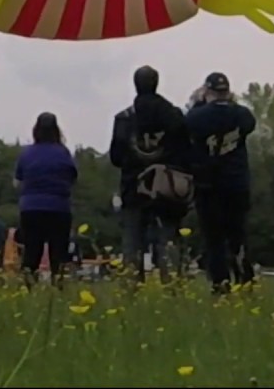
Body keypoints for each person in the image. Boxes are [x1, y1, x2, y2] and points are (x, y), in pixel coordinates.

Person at [110, 65, 193, 283]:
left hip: (133, 188)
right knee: (167, 241)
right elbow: (187, 151)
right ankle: (172, 288)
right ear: (157, 84)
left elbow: (116, 158)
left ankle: (130, 289)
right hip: (168, 190)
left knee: (132, 244)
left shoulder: (124, 118)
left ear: (135, 85)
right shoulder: (174, 116)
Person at [186, 72, 257, 294]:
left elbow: (187, 125)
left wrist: (198, 102)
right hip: (237, 184)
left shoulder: (196, 117)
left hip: (209, 186)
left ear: (208, 91)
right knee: (239, 235)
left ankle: (220, 284)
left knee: (214, 239)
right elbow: (248, 124)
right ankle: (245, 279)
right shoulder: (243, 115)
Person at [13, 112, 78, 288]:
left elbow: (17, 181)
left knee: (32, 252)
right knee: (58, 253)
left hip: (31, 208)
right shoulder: (63, 153)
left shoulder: (27, 154)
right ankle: (58, 289)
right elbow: (72, 178)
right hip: (58, 207)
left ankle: (28, 290)